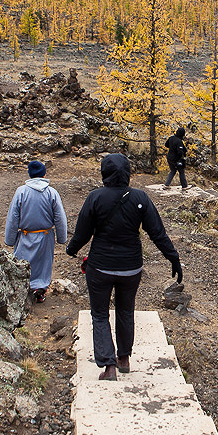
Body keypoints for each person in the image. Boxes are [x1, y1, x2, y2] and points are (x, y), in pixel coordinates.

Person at [67, 153, 182, 380]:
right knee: (126, 310)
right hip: (131, 267)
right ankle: (124, 358)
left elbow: (83, 233)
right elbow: (157, 233)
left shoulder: (95, 197)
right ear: (128, 173)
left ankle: (109, 367)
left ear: (104, 173)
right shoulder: (140, 197)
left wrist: (71, 249)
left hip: (100, 266)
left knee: (99, 314)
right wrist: (173, 257)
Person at [4, 160, 68, 304]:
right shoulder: (51, 192)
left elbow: (13, 217)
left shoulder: (21, 191)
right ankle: (40, 291)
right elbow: (60, 217)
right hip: (45, 236)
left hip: (25, 235)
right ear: (44, 174)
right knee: (43, 264)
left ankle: (23, 290)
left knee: (23, 261)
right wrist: (62, 238)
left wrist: (10, 239)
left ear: (30, 174)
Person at [163, 126, 188, 190]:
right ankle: (184, 186)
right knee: (181, 171)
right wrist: (182, 158)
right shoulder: (179, 141)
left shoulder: (171, 138)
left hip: (169, 158)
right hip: (176, 159)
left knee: (173, 171)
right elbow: (180, 152)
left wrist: (172, 148)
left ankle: (166, 185)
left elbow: (166, 145)